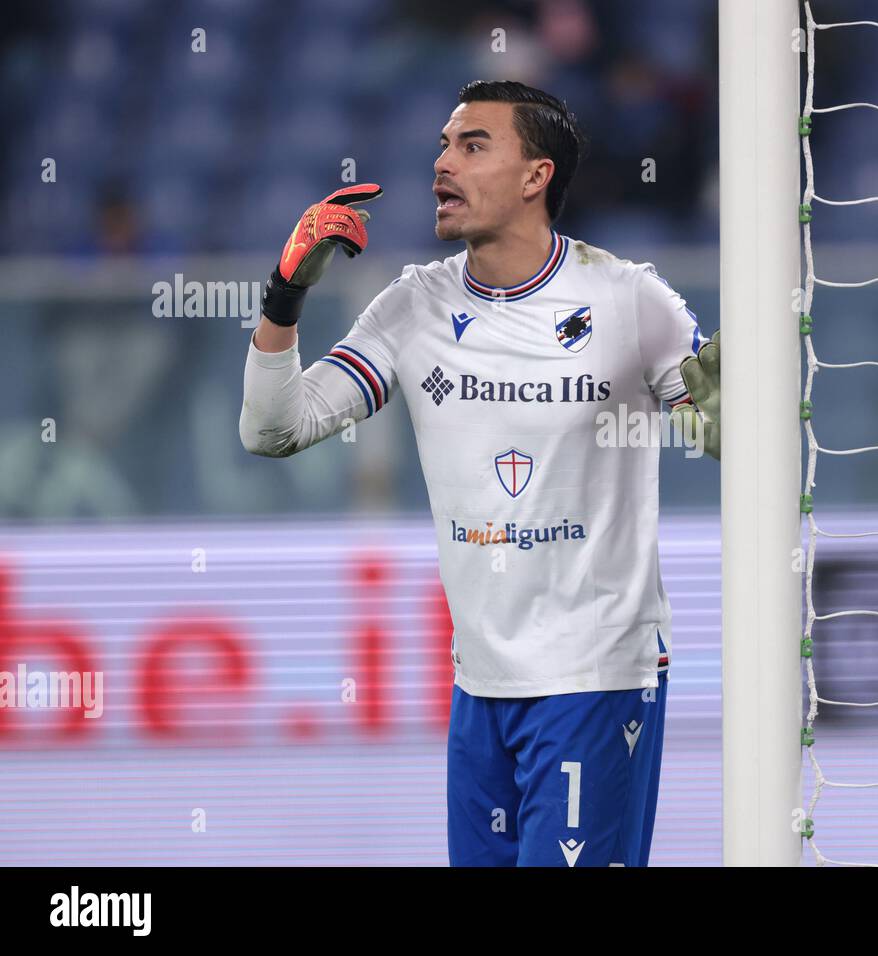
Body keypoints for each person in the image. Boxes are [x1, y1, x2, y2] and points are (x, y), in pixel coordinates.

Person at [239, 79, 720, 866]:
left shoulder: (631, 299)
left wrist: (740, 377)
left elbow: (724, 435)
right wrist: (284, 296)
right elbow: (274, 428)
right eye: (441, 145)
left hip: (595, 675)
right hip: (480, 688)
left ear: (536, 176)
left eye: (472, 145)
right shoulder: (411, 306)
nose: (442, 164)